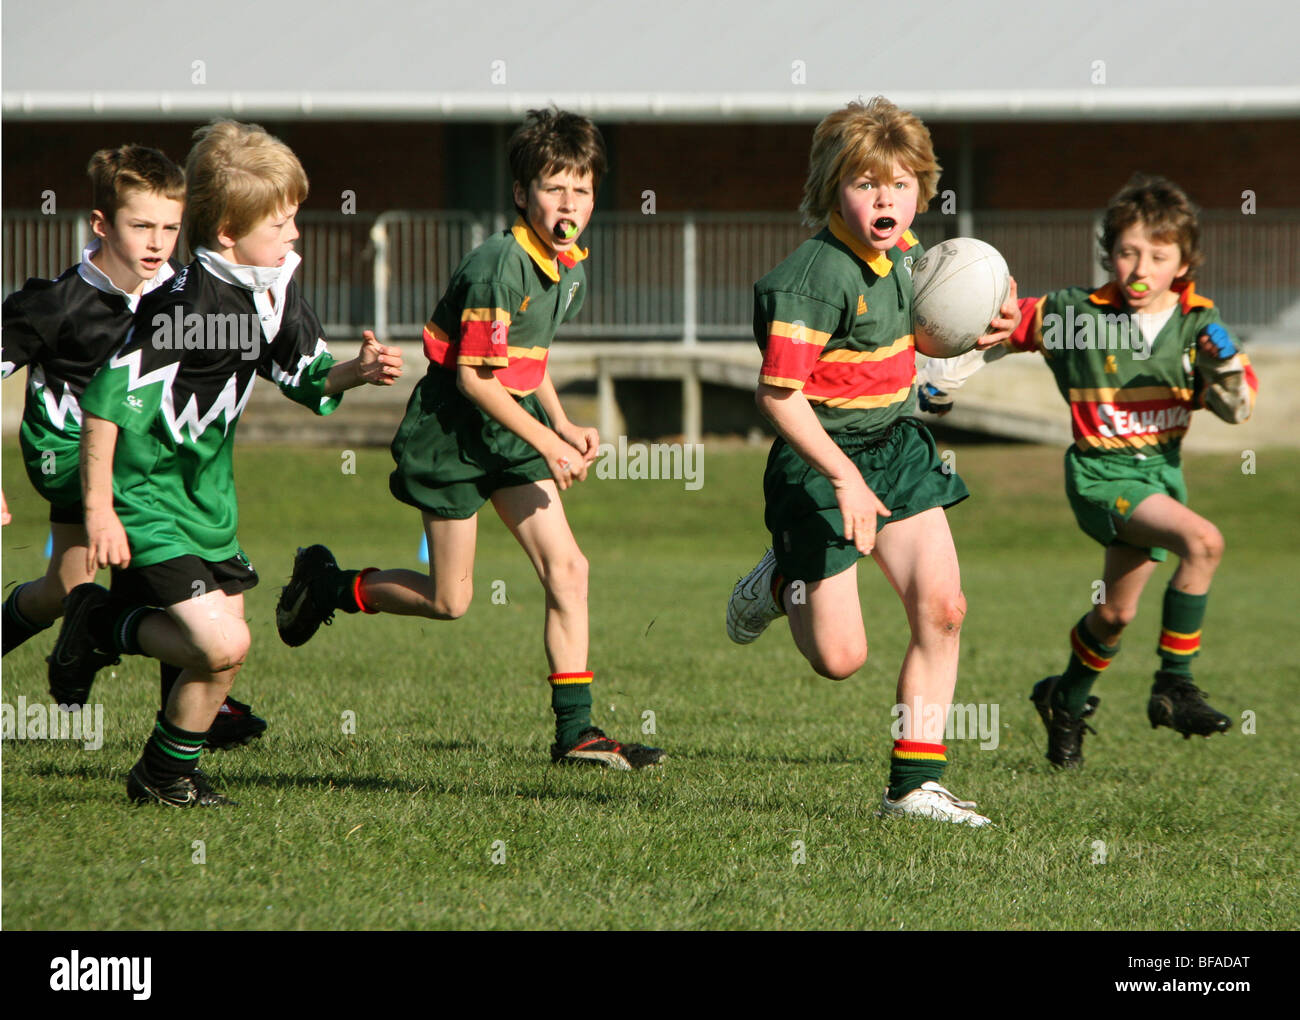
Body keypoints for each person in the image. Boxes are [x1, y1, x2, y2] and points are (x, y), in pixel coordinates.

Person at [275, 108, 665, 770]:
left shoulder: (568, 266)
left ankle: (577, 734)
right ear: (521, 194)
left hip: (509, 427)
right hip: (454, 431)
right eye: (553, 187)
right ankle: (329, 586)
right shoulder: (499, 264)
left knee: (569, 569)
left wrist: (562, 422)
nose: (568, 203)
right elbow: (476, 381)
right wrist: (548, 444)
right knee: (449, 600)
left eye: (582, 189)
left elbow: (525, 362)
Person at [48, 120, 403, 805]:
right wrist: (97, 510)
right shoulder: (186, 307)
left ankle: (162, 749)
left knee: (217, 651)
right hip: (147, 501)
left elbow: (304, 375)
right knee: (222, 645)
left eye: (294, 218)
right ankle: (150, 747)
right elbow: (103, 403)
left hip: (209, 504)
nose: (295, 235)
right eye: (281, 223)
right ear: (228, 235)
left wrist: (356, 371)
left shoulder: (269, 290)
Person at [725, 97, 1018, 826]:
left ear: (921, 187)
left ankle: (912, 788)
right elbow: (779, 397)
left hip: (895, 448)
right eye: (863, 182)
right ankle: (783, 574)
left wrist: (991, 328)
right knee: (840, 658)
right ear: (833, 189)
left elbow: (916, 346)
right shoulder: (811, 281)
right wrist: (843, 479)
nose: (884, 197)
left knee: (944, 609)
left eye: (899, 182)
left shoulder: (907, 258)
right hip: (819, 465)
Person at [918, 173, 1257, 768]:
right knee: (1203, 543)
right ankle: (1174, 687)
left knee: (1115, 614)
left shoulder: (1201, 323)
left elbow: (1239, 406)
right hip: (1102, 476)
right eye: (1127, 252)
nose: (1140, 268)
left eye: (1158, 254)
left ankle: (1064, 699)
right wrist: (942, 380)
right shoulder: (1075, 313)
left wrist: (1224, 370)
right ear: (1109, 254)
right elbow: (995, 323)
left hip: (1160, 480)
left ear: (1184, 261)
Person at [0, 143, 266, 748]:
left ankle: (103, 631)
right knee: (169, 536)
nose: (158, 242)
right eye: (141, 225)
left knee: (61, 590)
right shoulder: (53, 304)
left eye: (170, 227)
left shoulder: (179, 292)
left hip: (132, 457)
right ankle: (186, 677)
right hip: (69, 456)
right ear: (101, 224)